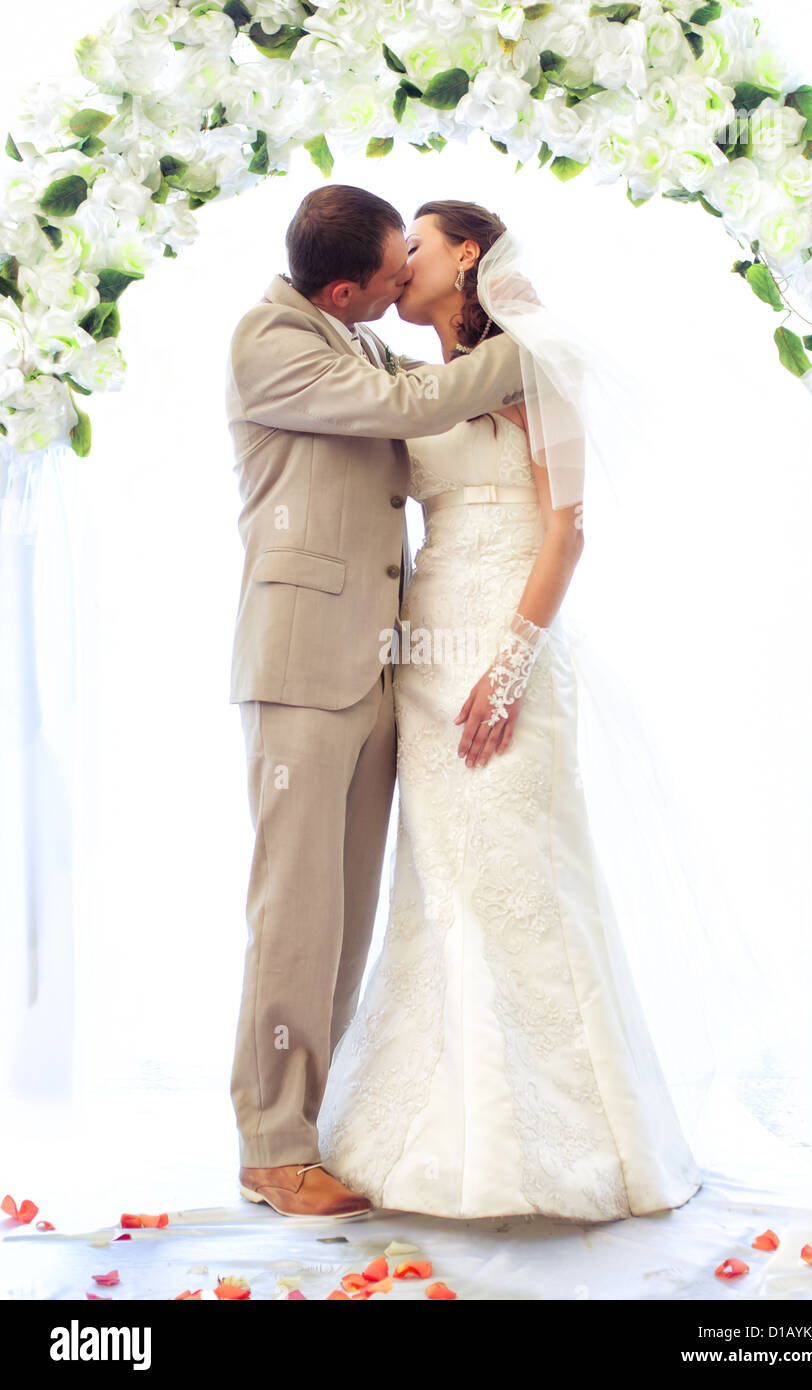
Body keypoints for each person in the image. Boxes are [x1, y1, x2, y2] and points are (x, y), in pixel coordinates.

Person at [316, 201, 703, 1220]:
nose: (400, 261)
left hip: (505, 642)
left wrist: (512, 665)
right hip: (427, 651)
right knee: (439, 882)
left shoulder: (535, 362)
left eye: (417, 243)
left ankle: (569, 1144)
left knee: (518, 874)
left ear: (467, 256)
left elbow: (566, 528)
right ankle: (430, 1132)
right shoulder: (419, 382)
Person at [224, 185, 527, 1219]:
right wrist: (537, 349)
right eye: (394, 271)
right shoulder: (270, 340)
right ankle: (271, 1148)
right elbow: (407, 410)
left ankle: (311, 1129)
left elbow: (429, 389)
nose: (405, 281)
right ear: (344, 288)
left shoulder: (356, 339)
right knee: (294, 912)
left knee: (345, 917)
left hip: (380, 664)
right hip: (302, 667)